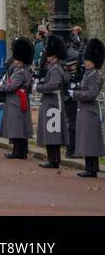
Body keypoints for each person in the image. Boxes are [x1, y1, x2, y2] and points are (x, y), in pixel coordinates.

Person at [0, 37, 35, 160]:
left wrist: (1, 87)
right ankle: (21, 151)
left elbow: (12, 86)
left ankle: (18, 151)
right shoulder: (23, 69)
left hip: (16, 101)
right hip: (19, 100)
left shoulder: (20, 72)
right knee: (20, 127)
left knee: (17, 127)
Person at [70, 38, 102, 178]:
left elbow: (92, 94)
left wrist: (75, 93)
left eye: (87, 60)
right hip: (85, 110)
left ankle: (92, 169)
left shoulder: (94, 74)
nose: (85, 62)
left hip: (89, 111)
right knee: (87, 140)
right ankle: (90, 167)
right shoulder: (88, 73)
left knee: (90, 141)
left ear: (93, 61)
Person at [35, 35, 67, 169]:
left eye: (49, 55)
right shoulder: (54, 68)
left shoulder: (55, 69)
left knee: (52, 133)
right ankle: (53, 159)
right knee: (51, 132)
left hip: (53, 103)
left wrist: (39, 87)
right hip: (51, 102)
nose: (47, 58)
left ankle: (53, 160)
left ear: (53, 56)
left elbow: (52, 86)